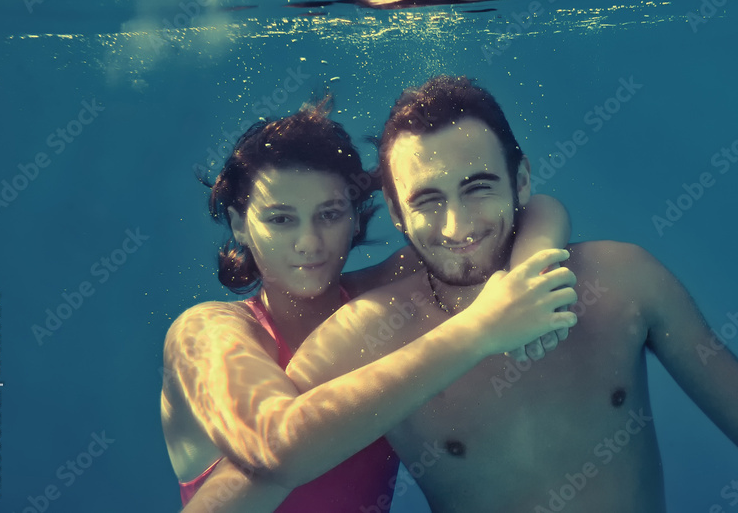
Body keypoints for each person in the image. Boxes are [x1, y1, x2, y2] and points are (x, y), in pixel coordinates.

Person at [190, 76, 738, 512]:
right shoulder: (365, 331)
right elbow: (248, 481)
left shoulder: (621, 284)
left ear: (522, 182)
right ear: (398, 218)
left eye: (479, 187)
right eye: (428, 200)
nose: (458, 227)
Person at [161, 97, 578, 512]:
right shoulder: (205, 333)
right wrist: (479, 331)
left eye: (329, 214)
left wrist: (528, 277)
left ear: (356, 218)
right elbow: (278, 448)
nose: (308, 243)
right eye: (280, 219)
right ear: (239, 224)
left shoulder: (377, 301)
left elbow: (529, 211)